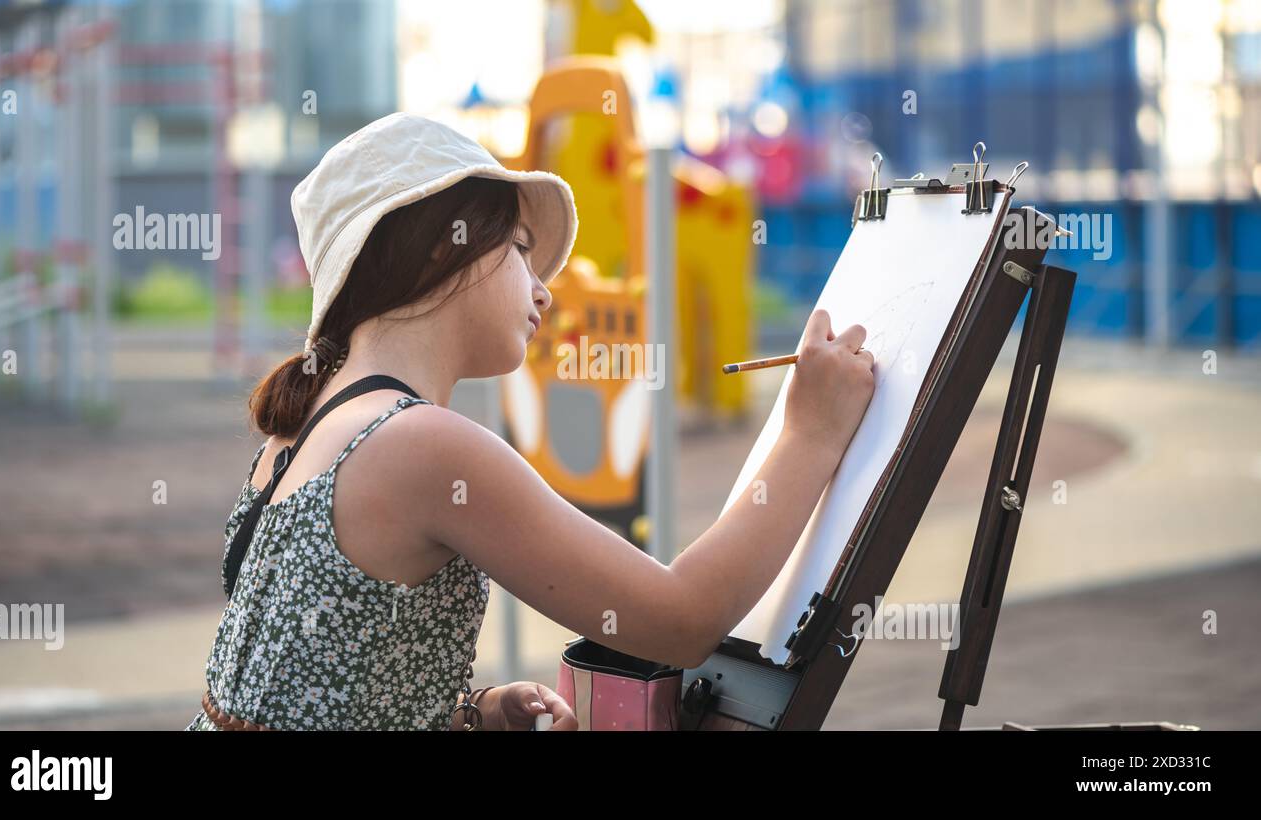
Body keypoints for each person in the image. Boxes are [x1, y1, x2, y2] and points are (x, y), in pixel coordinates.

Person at [185, 113, 874, 732]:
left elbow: (312, 680)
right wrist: (809, 432)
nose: (543, 285)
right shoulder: (423, 445)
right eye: (517, 246)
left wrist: (465, 712)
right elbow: (681, 620)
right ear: (436, 247)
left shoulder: (305, 424)